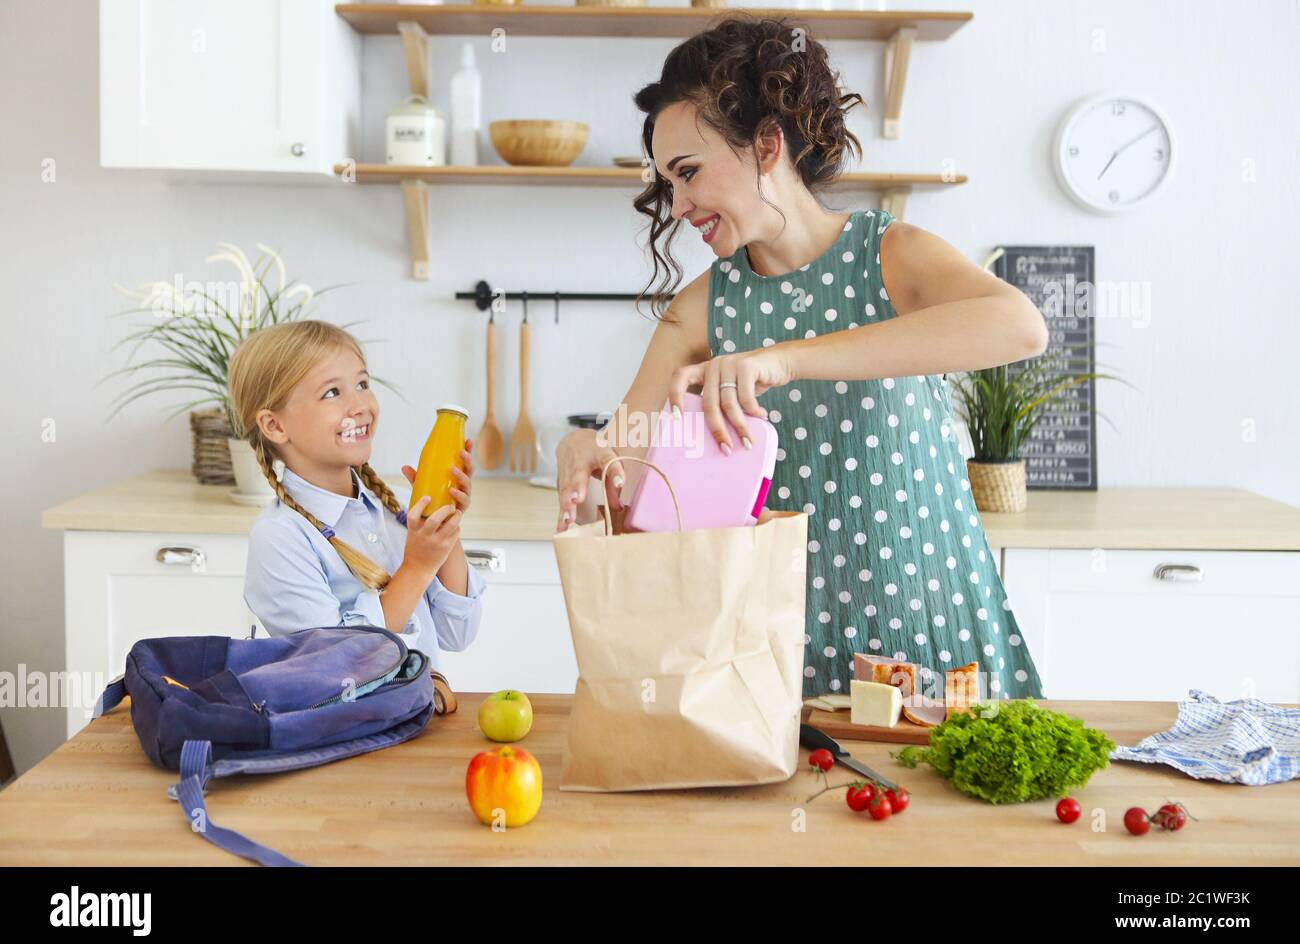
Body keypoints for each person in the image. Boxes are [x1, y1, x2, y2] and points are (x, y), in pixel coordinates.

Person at [555, 16, 1048, 699]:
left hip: (931, 627)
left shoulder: (889, 256)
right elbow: (628, 475)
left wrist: (782, 361)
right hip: (775, 652)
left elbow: (1018, 326)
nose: (679, 204)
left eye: (689, 172)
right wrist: (590, 449)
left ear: (766, 144)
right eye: (668, 183)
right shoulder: (700, 309)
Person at [228, 320, 486, 698]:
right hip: (343, 743)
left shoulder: (394, 508)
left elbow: (457, 633)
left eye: (362, 384)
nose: (359, 405)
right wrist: (416, 566)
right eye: (332, 392)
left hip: (418, 723)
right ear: (275, 425)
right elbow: (338, 668)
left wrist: (445, 531)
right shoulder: (280, 537)